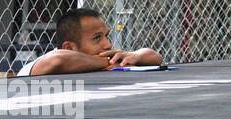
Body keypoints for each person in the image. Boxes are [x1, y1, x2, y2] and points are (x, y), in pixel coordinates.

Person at [17, 8, 163, 76]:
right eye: (97, 38)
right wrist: (109, 62)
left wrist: (133, 56)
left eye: (106, 35)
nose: (107, 44)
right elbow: (57, 61)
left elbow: (155, 57)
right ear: (69, 47)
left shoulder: (102, 59)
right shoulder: (42, 64)